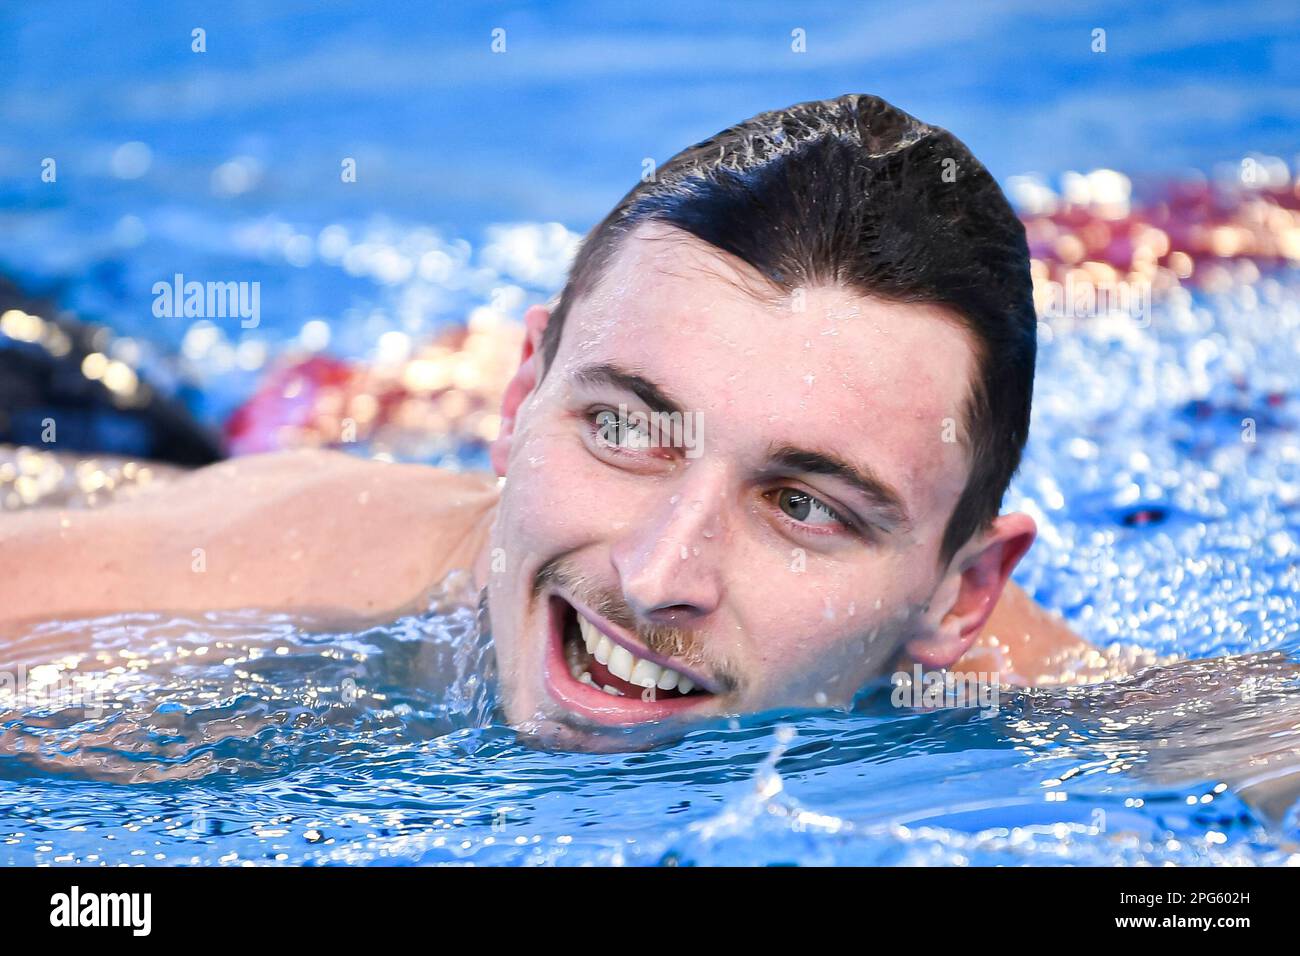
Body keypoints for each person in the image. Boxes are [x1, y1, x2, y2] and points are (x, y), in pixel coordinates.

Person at [1, 94, 1109, 752]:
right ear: (522, 398)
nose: (658, 570)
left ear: (962, 593)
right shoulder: (230, 602)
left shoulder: (961, 655)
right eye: (623, 428)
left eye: (801, 504)